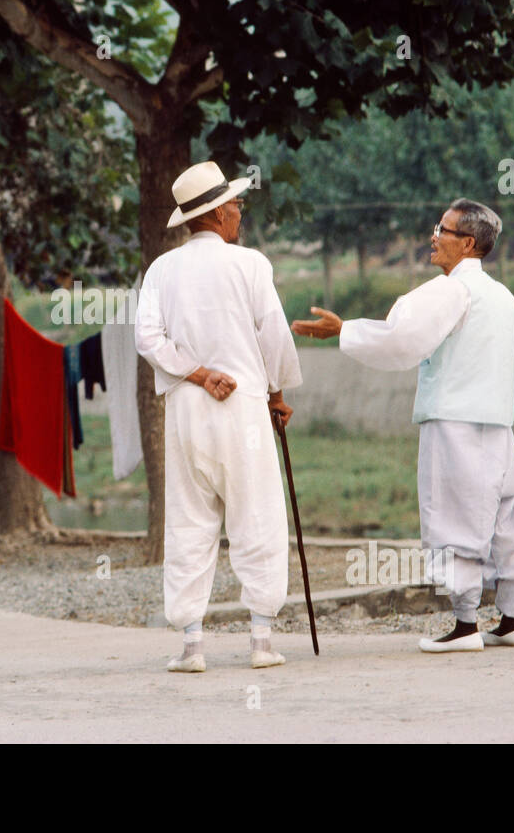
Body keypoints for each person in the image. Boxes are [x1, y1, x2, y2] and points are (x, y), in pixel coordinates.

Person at [292, 199, 514, 652]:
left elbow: (404, 339)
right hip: (497, 427)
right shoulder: (502, 296)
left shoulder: (452, 291)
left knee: (454, 518)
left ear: (469, 243)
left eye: (444, 229)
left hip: (454, 425)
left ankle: (465, 625)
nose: (433, 236)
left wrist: (345, 331)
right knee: (505, 517)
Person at [135, 161, 302, 672]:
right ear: (219, 213)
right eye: (236, 206)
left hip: (187, 410)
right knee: (257, 514)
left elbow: (147, 339)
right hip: (244, 409)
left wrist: (198, 373)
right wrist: (276, 393)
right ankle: (261, 640)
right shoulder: (250, 264)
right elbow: (273, 335)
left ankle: (191, 645)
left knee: (189, 516)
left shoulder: (162, 270)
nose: (239, 213)